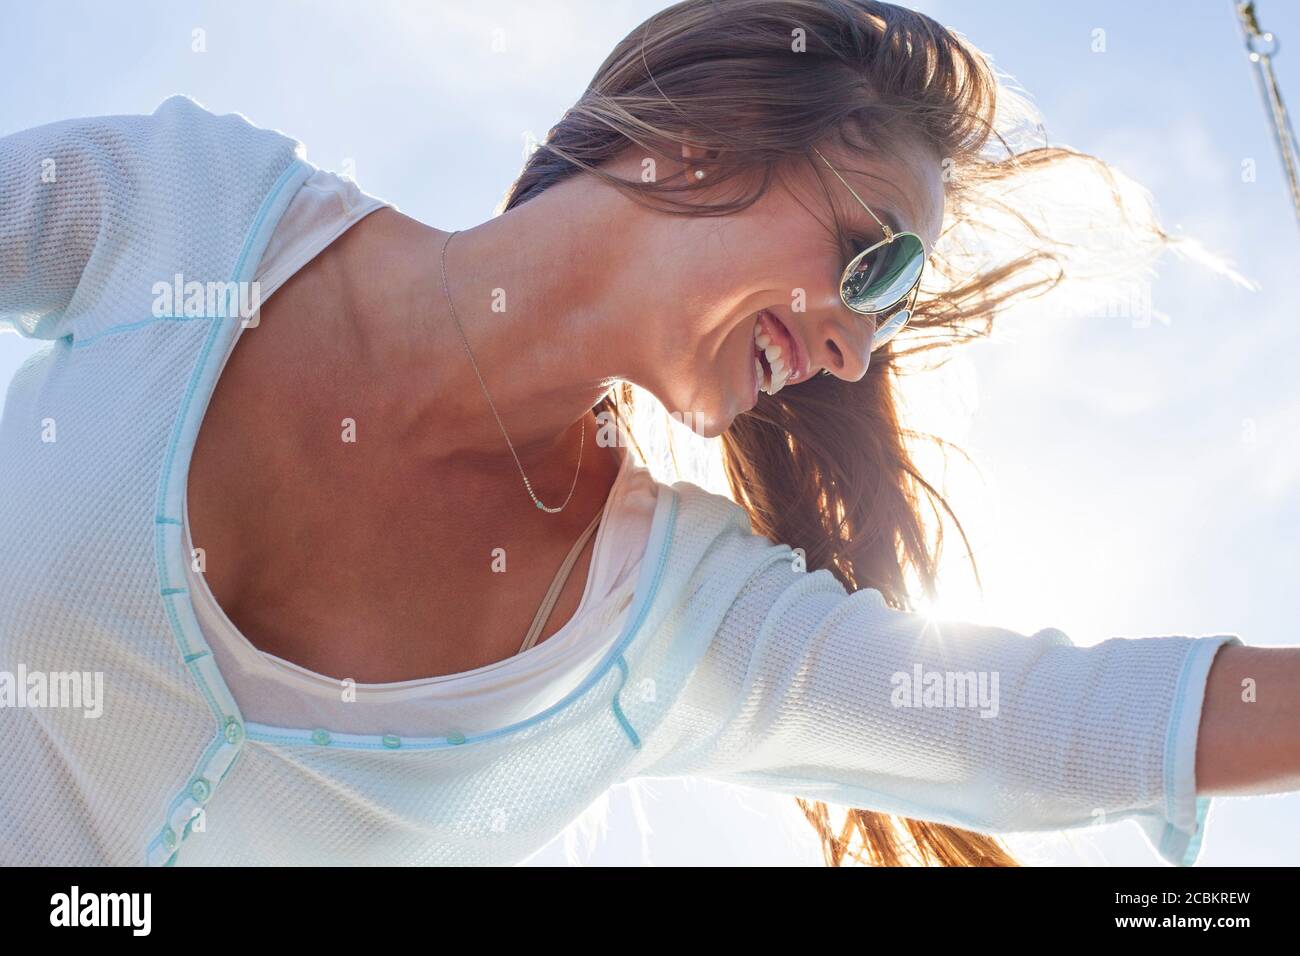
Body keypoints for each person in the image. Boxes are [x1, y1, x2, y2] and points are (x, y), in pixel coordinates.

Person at [1, 0, 1295, 867]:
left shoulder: (675, 622)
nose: (856, 346)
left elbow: (1035, 720)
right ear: (707, 135)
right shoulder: (195, 215)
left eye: (888, 326)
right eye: (873, 263)